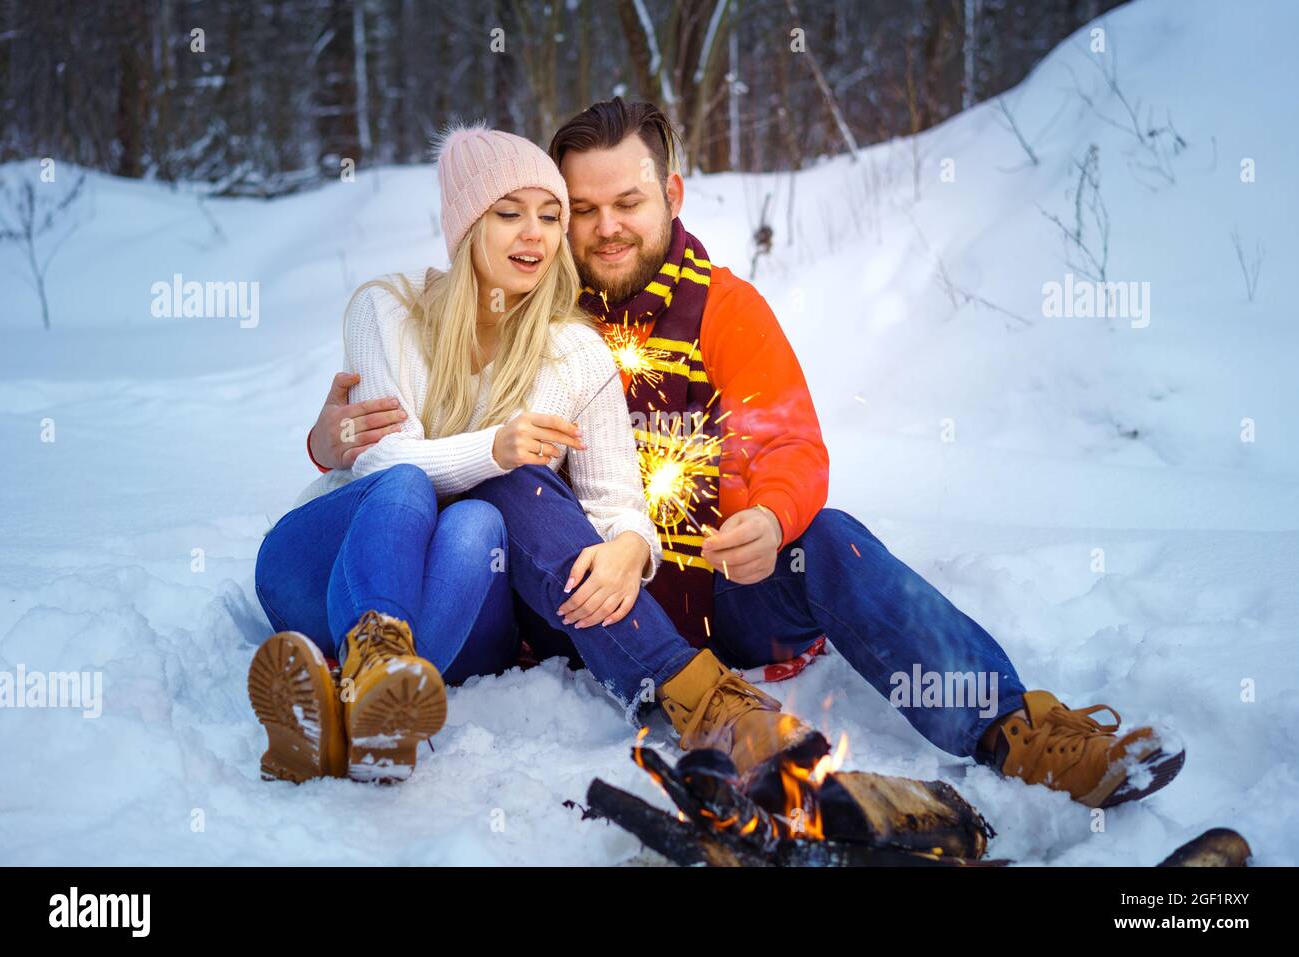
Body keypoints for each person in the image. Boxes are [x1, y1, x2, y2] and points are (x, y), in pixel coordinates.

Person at [305, 100, 1185, 808]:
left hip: (723, 591)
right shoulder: (544, 313)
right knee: (521, 481)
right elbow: (424, 423)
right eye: (583, 210)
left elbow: (789, 438)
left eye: (629, 202)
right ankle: (702, 708)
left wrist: (770, 513)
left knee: (830, 537)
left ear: (673, 195)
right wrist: (327, 439)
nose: (604, 228)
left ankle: (1012, 729)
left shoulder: (724, 310)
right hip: (581, 603)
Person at [250, 124, 668, 784]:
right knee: (408, 484)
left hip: (465, 604)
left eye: (550, 216)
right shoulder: (385, 309)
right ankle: (371, 676)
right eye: (508, 213)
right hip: (325, 565)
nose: (534, 233)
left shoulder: (576, 353)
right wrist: (495, 448)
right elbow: (384, 463)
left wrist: (633, 547)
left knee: (480, 524)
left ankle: (350, 704)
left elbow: (621, 504)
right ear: (467, 224)